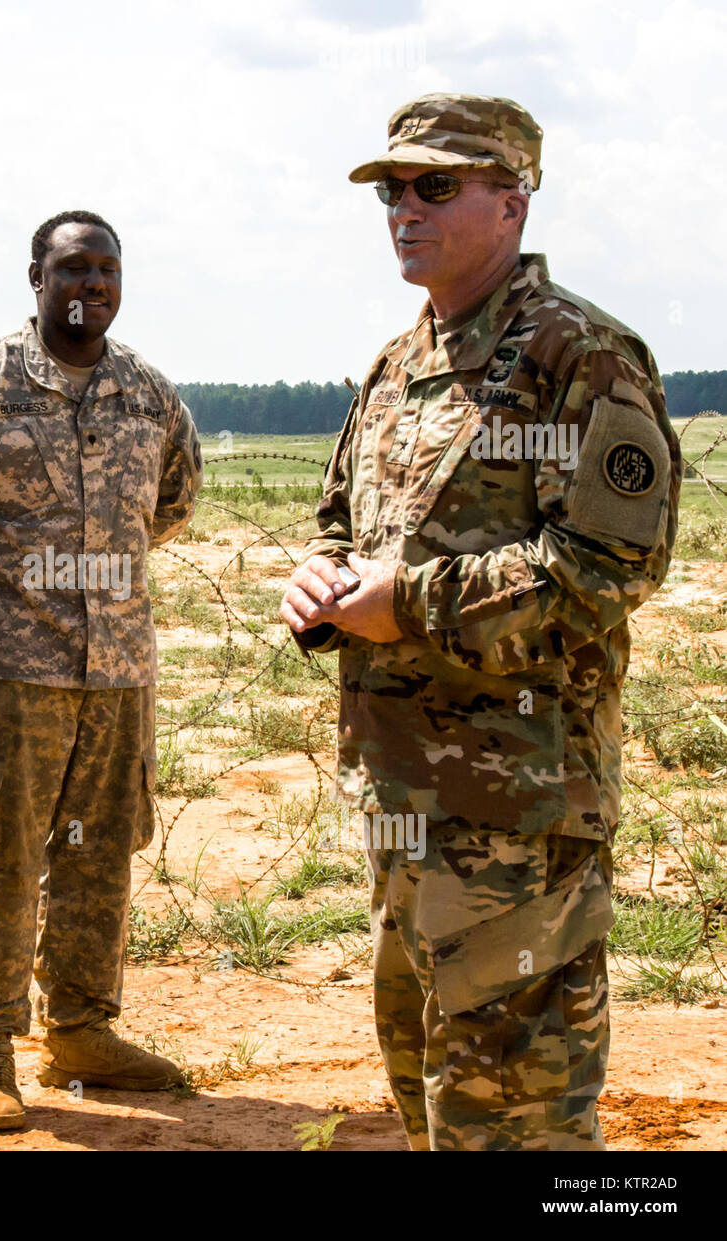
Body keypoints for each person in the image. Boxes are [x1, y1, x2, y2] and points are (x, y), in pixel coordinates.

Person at [280, 94, 681, 1151]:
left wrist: (404, 602)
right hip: (400, 796)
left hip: (519, 813)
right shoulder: (393, 364)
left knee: (515, 1118)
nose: (403, 209)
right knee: (427, 1093)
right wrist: (320, 582)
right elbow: (341, 519)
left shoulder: (579, 354)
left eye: (434, 186)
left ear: (512, 201)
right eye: (392, 190)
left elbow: (610, 562)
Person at [0, 210, 202, 1131]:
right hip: (2, 672)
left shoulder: (147, 392)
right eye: (72, 270)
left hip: (115, 673)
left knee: (100, 857)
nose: (91, 286)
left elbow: (173, 498)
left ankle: (81, 1030)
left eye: (106, 269)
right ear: (37, 277)